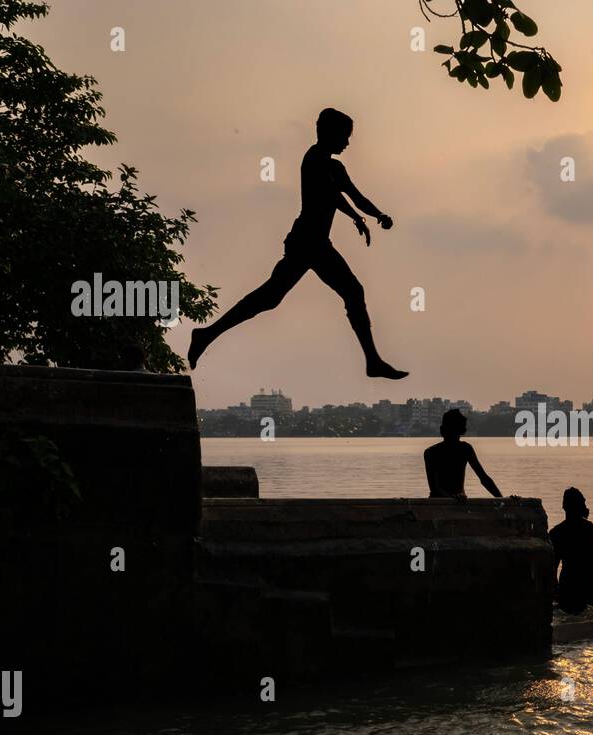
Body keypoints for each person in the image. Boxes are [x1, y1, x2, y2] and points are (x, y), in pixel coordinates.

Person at [187, 108, 406, 379]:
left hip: (317, 243)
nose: (347, 143)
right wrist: (357, 217)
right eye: (344, 136)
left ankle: (206, 334)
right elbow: (331, 196)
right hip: (306, 241)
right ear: (328, 133)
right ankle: (372, 361)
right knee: (331, 293)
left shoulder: (336, 167)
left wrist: (376, 215)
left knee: (275, 297)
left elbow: (355, 196)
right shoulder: (313, 158)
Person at [423, 409, 502, 499]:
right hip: (440, 503)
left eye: (454, 430)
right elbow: (434, 488)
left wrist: (503, 500)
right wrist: (453, 499)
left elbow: (484, 479)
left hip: (460, 502)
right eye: (450, 429)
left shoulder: (465, 449)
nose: (451, 435)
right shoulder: (431, 453)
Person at [549, 487, 593, 614]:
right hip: (587, 585)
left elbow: (552, 568)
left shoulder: (556, 532)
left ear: (564, 506)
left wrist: (556, 592)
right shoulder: (592, 530)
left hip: (567, 587)